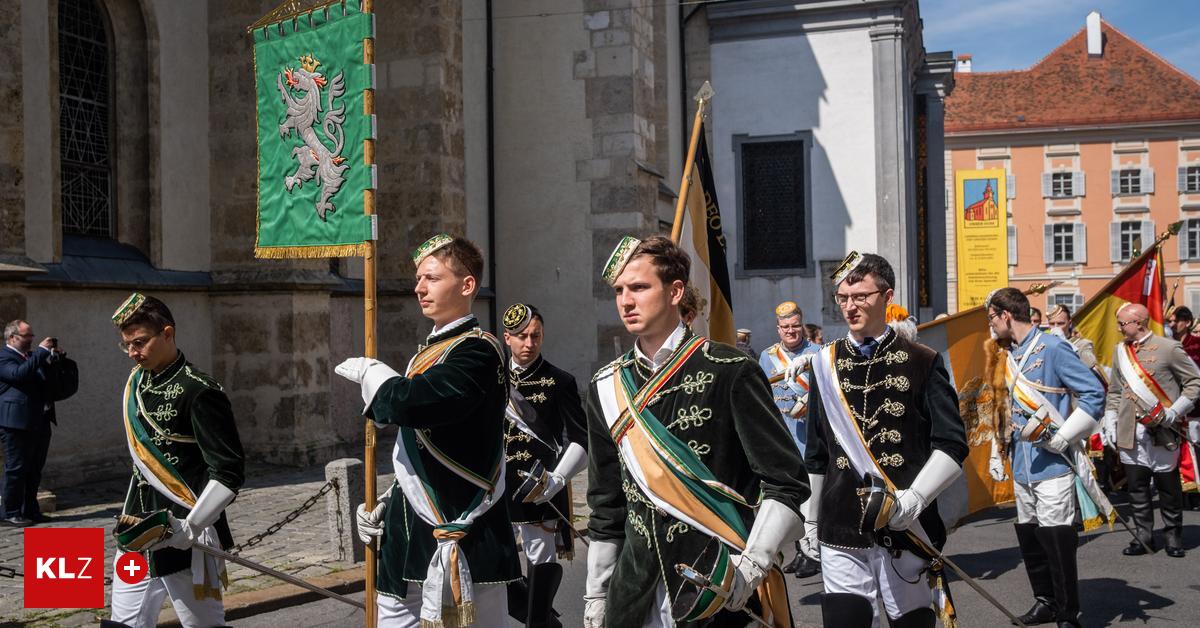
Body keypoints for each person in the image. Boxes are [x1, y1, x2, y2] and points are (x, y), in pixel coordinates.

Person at [584, 235, 807, 628]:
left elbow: (785, 482)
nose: (625, 301)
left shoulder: (730, 370)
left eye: (638, 287)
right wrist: (597, 594)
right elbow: (607, 504)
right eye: (619, 290)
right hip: (635, 595)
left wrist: (749, 568)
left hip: (718, 585)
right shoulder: (605, 386)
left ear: (675, 292)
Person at [336, 234, 520, 627]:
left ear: (467, 285)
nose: (419, 287)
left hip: (465, 521)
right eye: (418, 278)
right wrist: (388, 497)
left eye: (432, 278)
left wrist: (376, 375)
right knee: (394, 617)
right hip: (409, 522)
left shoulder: (479, 351)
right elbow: (417, 444)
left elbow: (417, 404)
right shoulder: (430, 352)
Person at [804, 252, 968, 628]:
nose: (850, 306)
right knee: (846, 621)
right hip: (840, 521)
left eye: (861, 296)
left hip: (904, 523)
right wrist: (810, 520)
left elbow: (952, 442)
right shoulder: (823, 364)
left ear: (886, 295)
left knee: (909, 621)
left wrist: (914, 500)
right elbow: (817, 453)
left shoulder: (922, 360)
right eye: (843, 298)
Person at [108, 294, 245, 628]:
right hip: (136, 531)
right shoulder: (136, 383)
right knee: (125, 622)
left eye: (140, 342)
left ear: (167, 333)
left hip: (184, 531)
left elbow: (228, 471)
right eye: (126, 344)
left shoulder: (199, 390)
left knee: (202, 624)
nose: (132, 353)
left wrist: (193, 526)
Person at [985, 287, 1103, 628]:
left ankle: (1068, 612)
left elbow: (1093, 392)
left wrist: (1067, 434)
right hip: (1022, 464)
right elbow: (1006, 408)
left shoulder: (1052, 347)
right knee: (1031, 537)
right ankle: (1045, 601)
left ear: (1006, 315)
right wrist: (998, 450)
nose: (991, 325)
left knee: (1057, 538)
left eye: (992, 318)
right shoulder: (1009, 355)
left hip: (1053, 464)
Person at [500, 303, 587, 627]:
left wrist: (558, 478)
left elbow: (581, 438)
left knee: (540, 562)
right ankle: (545, 622)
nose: (529, 343)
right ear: (507, 338)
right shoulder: (490, 380)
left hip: (539, 486)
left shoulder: (559, 381)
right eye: (521, 336)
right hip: (496, 486)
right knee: (497, 566)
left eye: (535, 336)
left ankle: (539, 622)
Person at [1101, 303, 1200, 558]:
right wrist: (1110, 419)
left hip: (1162, 429)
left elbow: (1194, 383)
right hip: (1130, 429)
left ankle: (1172, 535)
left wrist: (1175, 411)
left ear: (1139, 323)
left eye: (1123, 323)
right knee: (1137, 486)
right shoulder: (1120, 351)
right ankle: (1143, 535)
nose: (1119, 328)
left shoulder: (1169, 348)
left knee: (1168, 488)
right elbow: (1115, 390)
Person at [758, 301, 821, 578]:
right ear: (778, 329)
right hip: (785, 438)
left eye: (795, 326)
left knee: (814, 502)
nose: (791, 331)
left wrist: (811, 399)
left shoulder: (818, 353)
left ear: (802, 325)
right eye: (786, 327)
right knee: (794, 500)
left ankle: (814, 553)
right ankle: (801, 551)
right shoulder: (766, 356)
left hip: (813, 439)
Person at [0, 320, 58, 526]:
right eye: (27, 336)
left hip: (40, 421)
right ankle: (10, 512)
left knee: (34, 468)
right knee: (16, 469)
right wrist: (42, 352)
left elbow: (47, 382)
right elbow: (18, 374)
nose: (31, 340)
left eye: (32, 336)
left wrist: (54, 359)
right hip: (15, 423)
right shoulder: (4, 357)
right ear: (12, 337)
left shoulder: (33, 357)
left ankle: (30, 510)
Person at [1045, 305, 1097, 370]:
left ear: (1069, 323)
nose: (1056, 327)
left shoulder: (1083, 344)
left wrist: (1065, 341)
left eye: (1060, 323)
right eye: (1052, 324)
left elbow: (1090, 364)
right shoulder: (1044, 344)